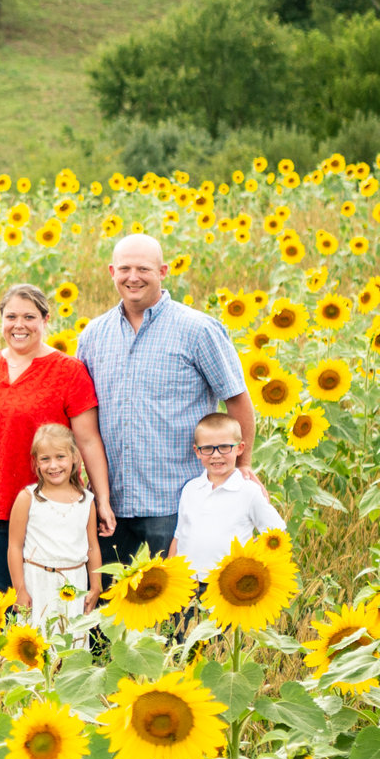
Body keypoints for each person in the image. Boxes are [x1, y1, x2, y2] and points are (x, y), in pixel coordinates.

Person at [77, 233, 254, 568]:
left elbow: (237, 399)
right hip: (111, 502)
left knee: (180, 592)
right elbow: (83, 417)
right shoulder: (93, 336)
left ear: (163, 271)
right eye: (125, 269)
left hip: (177, 498)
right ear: (112, 272)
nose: (133, 277)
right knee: (108, 594)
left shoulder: (197, 330)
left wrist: (242, 465)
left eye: (143, 269)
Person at [0, 284, 112, 593]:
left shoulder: (69, 371)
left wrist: (101, 499)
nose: (19, 325)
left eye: (29, 317)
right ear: (1, 320)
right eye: (11, 317)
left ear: (46, 320)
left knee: (51, 599)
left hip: (49, 509)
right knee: (3, 600)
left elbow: (89, 441)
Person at [170, 412, 284, 582]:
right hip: (187, 582)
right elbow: (179, 536)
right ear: (197, 451)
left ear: (240, 448)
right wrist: (170, 574)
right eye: (207, 448)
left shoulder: (249, 491)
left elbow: (277, 533)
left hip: (228, 584)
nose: (216, 455)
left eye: (224, 447)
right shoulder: (190, 489)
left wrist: (252, 556)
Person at [8, 424, 101, 626]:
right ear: (36, 462)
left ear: (74, 457)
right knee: (37, 636)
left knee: (71, 636)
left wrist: (96, 585)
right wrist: (20, 590)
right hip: (37, 582)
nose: (53, 465)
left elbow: (92, 546)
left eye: (60, 457)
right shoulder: (28, 498)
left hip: (75, 582)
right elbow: (14, 546)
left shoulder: (86, 501)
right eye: (45, 459)